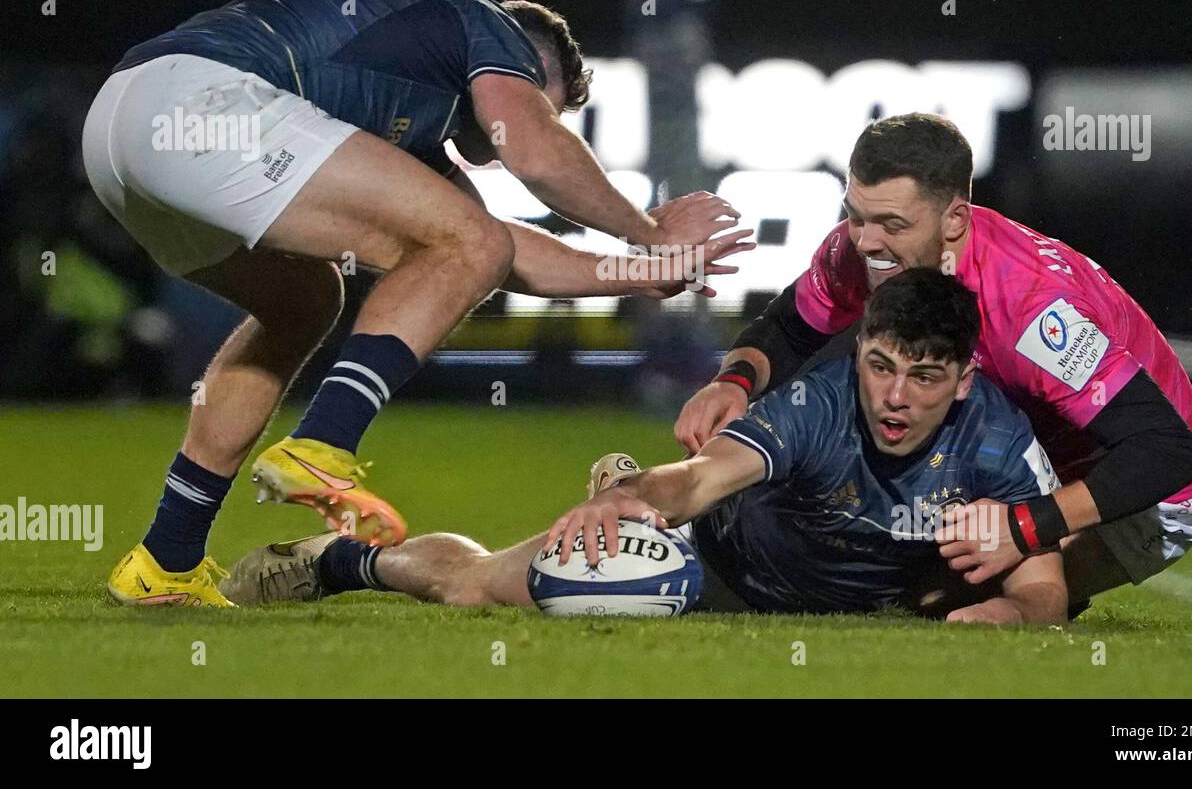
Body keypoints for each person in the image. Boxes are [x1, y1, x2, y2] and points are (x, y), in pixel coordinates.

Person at [85, 0, 750, 607]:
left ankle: (164, 561)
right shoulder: (494, 29)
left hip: (123, 128)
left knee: (305, 301)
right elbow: (537, 158)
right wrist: (649, 232)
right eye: (544, 103)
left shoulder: (412, 98)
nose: (526, 118)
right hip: (203, 101)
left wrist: (640, 274)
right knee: (466, 241)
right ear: (532, 63)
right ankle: (321, 446)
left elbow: (501, 251)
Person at [221, 270, 1067, 625]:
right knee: (478, 588)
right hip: (707, 559)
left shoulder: (998, 437)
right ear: (859, 354)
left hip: (835, 604)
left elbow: (1045, 588)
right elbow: (703, 478)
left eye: (922, 378)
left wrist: (1013, 613)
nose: (893, 395)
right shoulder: (818, 403)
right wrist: (633, 500)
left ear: (962, 380)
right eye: (879, 365)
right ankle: (345, 561)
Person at [673, 113, 1192, 609]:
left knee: (936, 602)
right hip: (1025, 458)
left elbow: (1167, 453)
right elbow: (790, 327)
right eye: (855, 215)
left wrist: (1026, 528)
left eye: (891, 223)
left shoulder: (1031, 311)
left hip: (1146, 491)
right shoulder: (859, 247)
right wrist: (735, 382)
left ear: (954, 219)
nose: (864, 242)